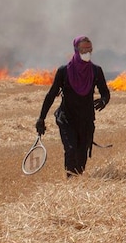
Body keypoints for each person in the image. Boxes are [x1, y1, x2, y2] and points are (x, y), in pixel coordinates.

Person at [35, 36, 111, 178]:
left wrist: (104, 100)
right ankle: (71, 182)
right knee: (71, 150)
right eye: (83, 49)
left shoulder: (96, 71)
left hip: (86, 119)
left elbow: (105, 92)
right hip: (67, 118)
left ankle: (77, 179)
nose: (87, 52)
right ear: (76, 50)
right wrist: (41, 118)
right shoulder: (64, 71)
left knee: (82, 154)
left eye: (89, 49)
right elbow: (51, 95)